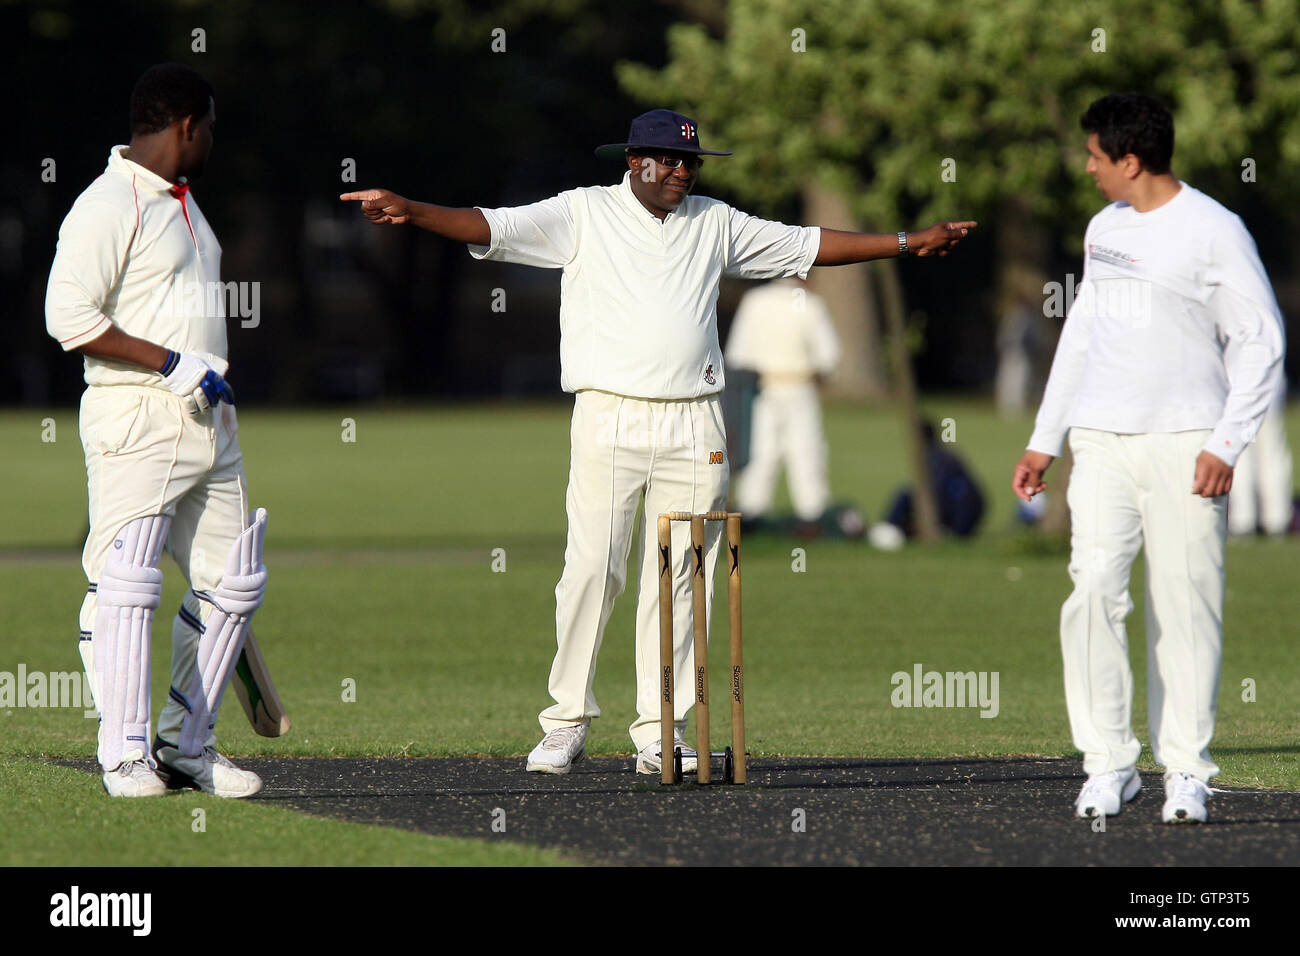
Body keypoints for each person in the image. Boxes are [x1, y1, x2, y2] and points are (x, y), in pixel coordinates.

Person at [343, 109, 975, 775]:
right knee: (594, 569)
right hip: (609, 414)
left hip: (695, 420)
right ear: (633, 161)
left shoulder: (715, 222)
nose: (681, 172)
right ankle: (566, 721)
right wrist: (412, 210)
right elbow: (492, 225)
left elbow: (808, 244)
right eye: (668, 160)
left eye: (690, 162)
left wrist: (907, 242)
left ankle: (660, 732)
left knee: (683, 579)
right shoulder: (583, 212)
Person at [1012, 93, 1285, 824]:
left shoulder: (1214, 230)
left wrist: (1226, 442)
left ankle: (1187, 771)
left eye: (1096, 157)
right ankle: (1108, 763)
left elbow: (1261, 339)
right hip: (1101, 442)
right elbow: (1083, 333)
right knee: (1094, 591)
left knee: (1186, 604)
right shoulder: (1104, 227)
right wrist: (1045, 438)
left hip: (1187, 444)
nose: (1090, 169)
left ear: (1130, 160)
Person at [45, 63, 267, 798]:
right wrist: (170, 362)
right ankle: (125, 755)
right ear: (187, 125)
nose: (213, 141)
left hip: (209, 415)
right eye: (211, 128)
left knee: (234, 581)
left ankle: (186, 745)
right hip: (136, 411)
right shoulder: (109, 203)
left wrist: (199, 371)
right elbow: (67, 317)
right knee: (128, 581)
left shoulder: (184, 201)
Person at [724, 277, 841, 529]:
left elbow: (737, 354)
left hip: (761, 390)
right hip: (799, 389)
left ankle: (752, 511)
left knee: (759, 450)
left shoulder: (754, 301)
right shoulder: (810, 303)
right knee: (806, 451)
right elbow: (829, 356)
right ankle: (812, 513)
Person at [1227, 374, 1293, 536]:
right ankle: (1277, 518)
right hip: (1270, 381)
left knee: (1241, 452)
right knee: (1271, 450)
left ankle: (1242, 519)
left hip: (1240, 383)